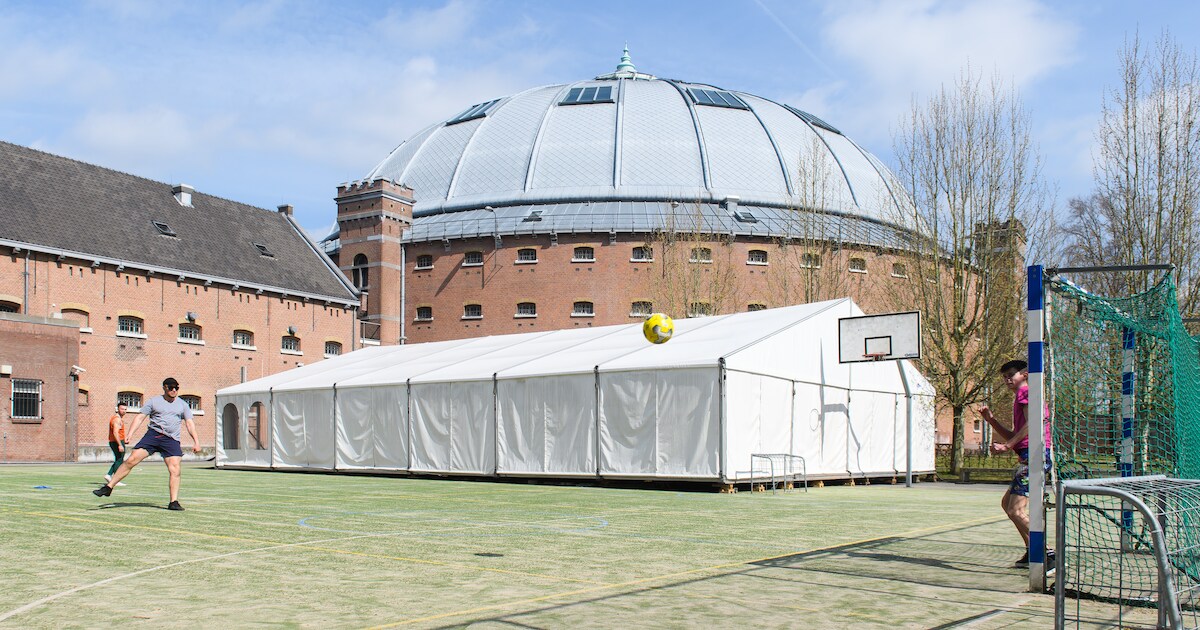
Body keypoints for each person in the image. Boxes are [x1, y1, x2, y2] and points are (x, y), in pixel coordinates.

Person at [979, 359, 1053, 568]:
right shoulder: (1020, 397)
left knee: (1015, 510)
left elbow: (1033, 424)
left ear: (1025, 374)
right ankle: (1032, 550)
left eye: (1011, 374)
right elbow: (1016, 434)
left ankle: (1046, 551)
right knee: (1007, 505)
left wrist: (1006, 445)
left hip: (1035, 456)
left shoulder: (1026, 392)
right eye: (1004, 377)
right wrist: (991, 420)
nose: (1007, 379)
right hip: (1028, 455)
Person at [93, 377, 201, 510]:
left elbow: (189, 424)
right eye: (171, 387)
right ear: (164, 387)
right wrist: (130, 434)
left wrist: (196, 441)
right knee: (131, 460)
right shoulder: (154, 401)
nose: (174, 390)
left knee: (175, 469)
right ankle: (108, 487)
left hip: (171, 440)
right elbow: (139, 418)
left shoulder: (183, 404)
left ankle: (174, 502)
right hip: (153, 436)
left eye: (176, 388)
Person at [104, 402, 129, 486]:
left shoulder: (118, 419)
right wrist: (119, 444)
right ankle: (114, 478)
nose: (124, 411)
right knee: (120, 460)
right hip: (116, 441)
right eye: (122, 409)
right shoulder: (117, 419)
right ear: (117, 409)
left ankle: (109, 475)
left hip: (116, 441)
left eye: (125, 409)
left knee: (119, 459)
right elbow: (115, 432)